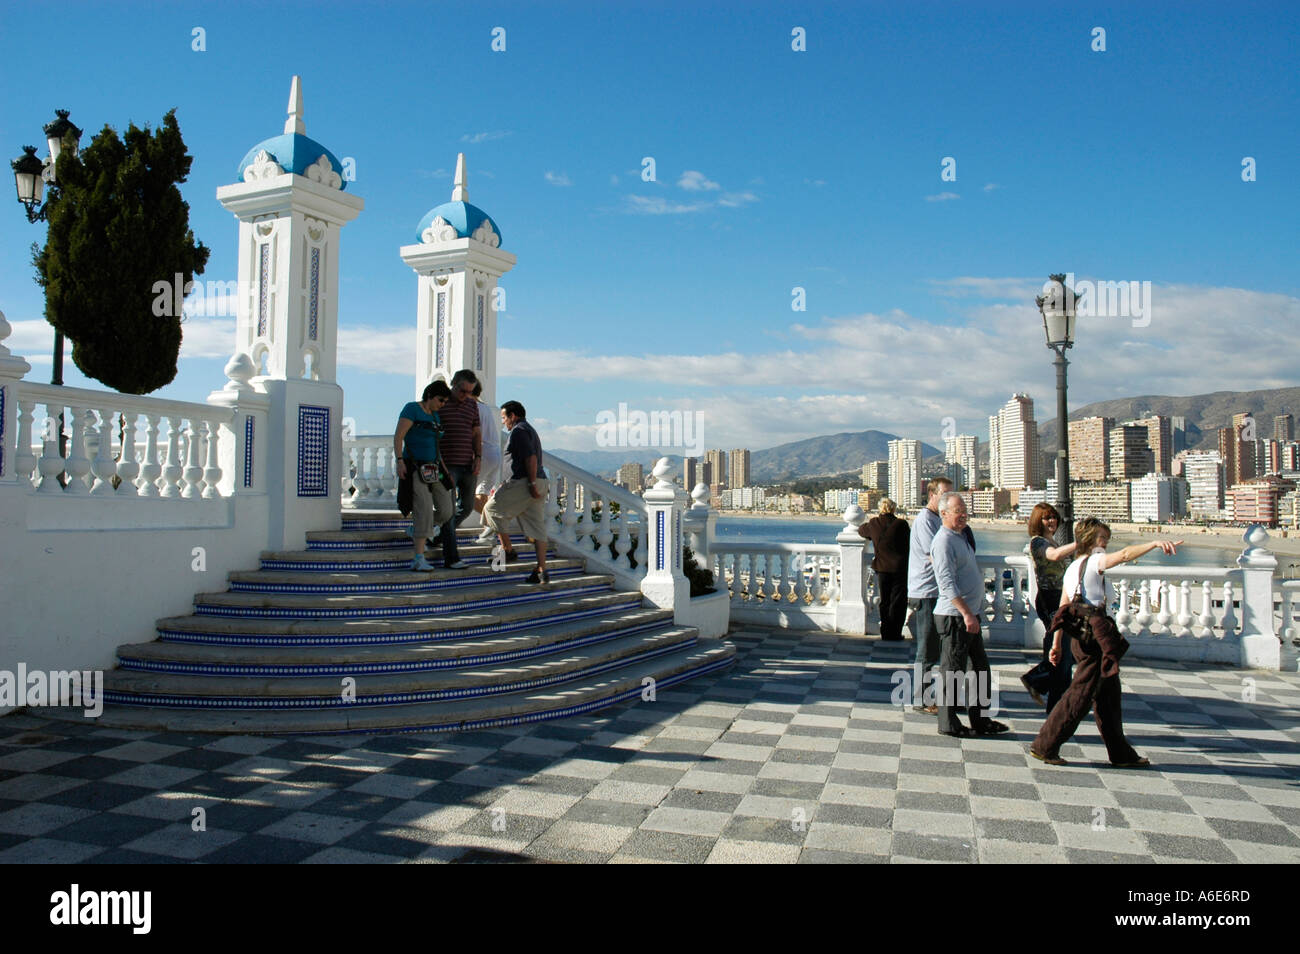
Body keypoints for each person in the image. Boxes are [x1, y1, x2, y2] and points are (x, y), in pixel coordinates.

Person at [1030, 518, 1181, 767]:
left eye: (1106, 539)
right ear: (1089, 540)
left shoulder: (1073, 568)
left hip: (1082, 637)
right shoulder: (1094, 560)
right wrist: (1154, 543)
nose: (1105, 543)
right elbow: (1123, 555)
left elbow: (1063, 609)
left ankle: (1121, 754)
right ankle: (1045, 745)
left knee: (1109, 697)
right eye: (1102, 538)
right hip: (1095, 640)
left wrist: (1056, 643)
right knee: (1079, 695)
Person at [930, 492, 1009, 737]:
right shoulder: (943, 541)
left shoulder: (960, 536)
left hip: (969, 614)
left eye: (964, 510)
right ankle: (948, 722)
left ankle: (981, 719)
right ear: (944, 514)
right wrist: (966, 613)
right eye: (957, 511)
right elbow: (946, 583)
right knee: (952, 671)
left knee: (980, 669)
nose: (963, 515)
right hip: (955, 616)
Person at [393, 381, 467, 571]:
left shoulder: (435, 417)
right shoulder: (412, 409)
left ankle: (417, 529)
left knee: (446, 509)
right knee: (423, 509)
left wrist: (445, 472)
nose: (442, 404)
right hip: (416, 467)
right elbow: (399, 436)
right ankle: (418, 558)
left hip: (434, 469)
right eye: (441, 400)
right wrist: (400, 460)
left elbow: (436, 447)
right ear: (430, 396)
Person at [483, 401, 551, 584]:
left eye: (504, 418)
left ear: (513, 416)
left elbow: (531, 457)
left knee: (491, 510)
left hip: (524, 482)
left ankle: (508, 550)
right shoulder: (530, 430)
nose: (503, 422)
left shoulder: (519, 431)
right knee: (537, 527)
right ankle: (541, 570)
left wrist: (530, 483)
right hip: (541, 481)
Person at [1023, 503, 1078, 712]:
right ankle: (1055, 700)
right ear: (1038, 521)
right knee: (1061, 648)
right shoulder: (1038, 543)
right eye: (1046, 518)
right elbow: (1054, 556)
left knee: (1064, 648)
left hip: (1061, 598)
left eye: (1054, 517)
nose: (1051, 521)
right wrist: (1080, 543)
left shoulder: (1052, 541)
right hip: (1050, 598)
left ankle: (1038, 681)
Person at [905, 477, 953, 712]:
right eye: (944, 494)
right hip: (926, 592)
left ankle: (939, 696)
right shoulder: (926, 520)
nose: (948, 499)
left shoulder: (936, 519)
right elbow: (936, 554)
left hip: (935, 592)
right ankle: (920, 698)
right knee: (925, 648)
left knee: (936, 647)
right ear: (932, 495)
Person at [438, 369, 484, 530]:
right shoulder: (441, 403)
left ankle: (437, 537)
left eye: (470, 392)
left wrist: (478, 457)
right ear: (453, 385)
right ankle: (449, 551)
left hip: (467, 464)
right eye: (463, 391)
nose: (466, 395)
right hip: (447, 464)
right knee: (448, 510)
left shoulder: (472, 404)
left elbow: (476, 433)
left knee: (467, 507)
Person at [859, 499, 910, 640]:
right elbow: (907, 544)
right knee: (898, 602)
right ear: (893, 509)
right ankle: (895, 632)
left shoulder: (874, 523)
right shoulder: (901, 524)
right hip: (899, 568)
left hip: (882, 568)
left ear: (880, 508)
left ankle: (885, 631)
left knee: (885, 601)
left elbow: (861, 530)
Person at [471, 380, 503, 543]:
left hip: (482, 453)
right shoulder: (485, 408)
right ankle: (487, 533)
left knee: (467, 494)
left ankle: (491, 524)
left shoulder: (473, 408)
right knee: (481, 493)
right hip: (495, 453)